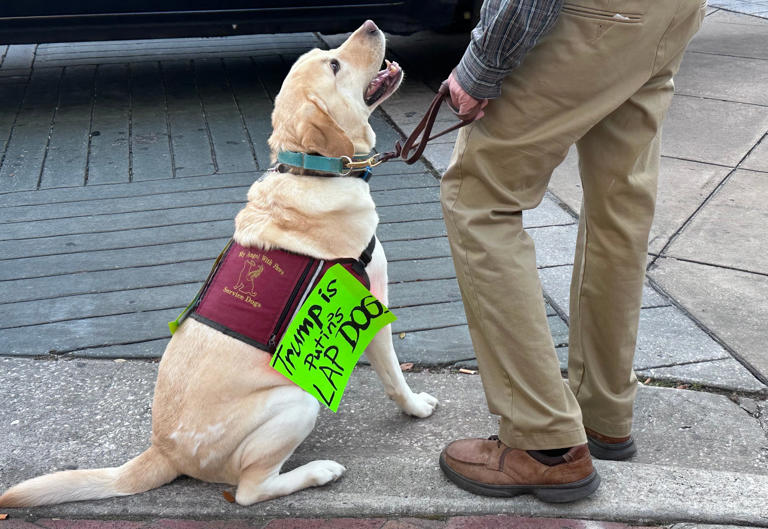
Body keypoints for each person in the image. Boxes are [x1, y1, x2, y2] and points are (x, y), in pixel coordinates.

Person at [438, 0, 706, 502]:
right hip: (672, 14)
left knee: (478, 199)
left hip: (593, 14)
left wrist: (483, 64)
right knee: (619, 206)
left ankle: (543, 444)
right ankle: (605, 414)